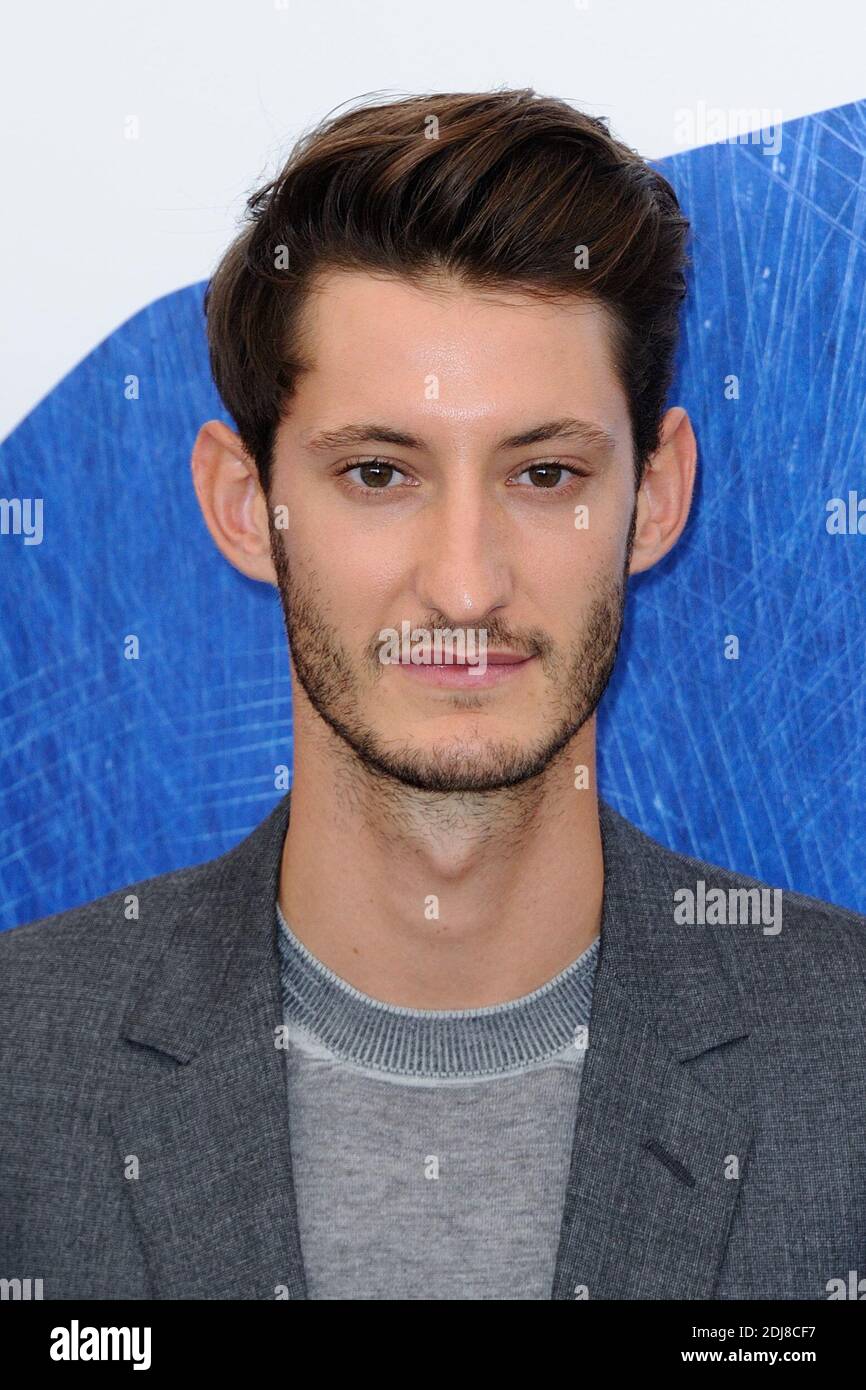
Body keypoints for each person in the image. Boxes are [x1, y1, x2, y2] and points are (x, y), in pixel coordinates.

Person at [2, 88, 865, 1302]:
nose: (464, 584)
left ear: (656, 496)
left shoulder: (848, 1068)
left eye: (544, 471)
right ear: (245, 505)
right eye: (375, 472)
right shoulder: (19, 1065)